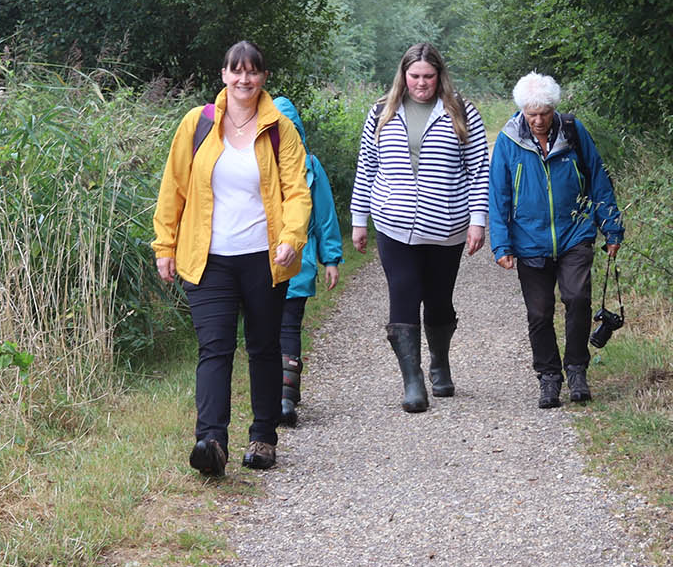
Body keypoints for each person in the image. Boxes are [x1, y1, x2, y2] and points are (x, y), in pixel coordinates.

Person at [153, 42, 310, 476]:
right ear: (223, 74)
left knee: (263, 348)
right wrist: (164, 245)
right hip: (208, 260)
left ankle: (262, 436)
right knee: (215, 349)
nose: (244, 80)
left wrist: (292, 237)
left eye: (253, 72)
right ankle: (211, 442)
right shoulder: (198, 124)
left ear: (263, 77)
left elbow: (297, 190)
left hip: (265, 257)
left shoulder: (280, 129)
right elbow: (174, 188)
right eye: (236, 71)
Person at [351, 42, 489, 413]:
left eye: (429, 76)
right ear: (404, 75)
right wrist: (358, 220)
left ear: (439, 76)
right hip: (394, 224)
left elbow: (479, 170)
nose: (422, 83)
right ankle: (412, 380)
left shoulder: (462, 112)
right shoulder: (382, 111)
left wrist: (478, 220)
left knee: (439, 298)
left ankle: (439, 362)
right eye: (415, 76)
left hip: (447, 224)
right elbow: (367, 167)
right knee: (404, 293)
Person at [487, 72, 624, 409]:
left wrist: (612, 228)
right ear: (522, 111)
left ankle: (577, 369)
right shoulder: (508, 141)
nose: (538, 120)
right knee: (539, 312)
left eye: (544, 113)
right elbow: (498, 194)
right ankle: (548, 376)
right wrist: (501, 244)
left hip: (575, 232)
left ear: (553, 109)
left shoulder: (573, 132)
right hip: (529, 239)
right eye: (531, 114)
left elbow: (597, 179)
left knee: (577, 299)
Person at [271, 95, 343, 427]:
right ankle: (277, 392)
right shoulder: (253, 164)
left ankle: (285, 397)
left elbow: (325, 216)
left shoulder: (311, 167)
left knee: (287, 326)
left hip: (298, 265)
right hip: (260, 264)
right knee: (266, 329)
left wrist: (331, 259)